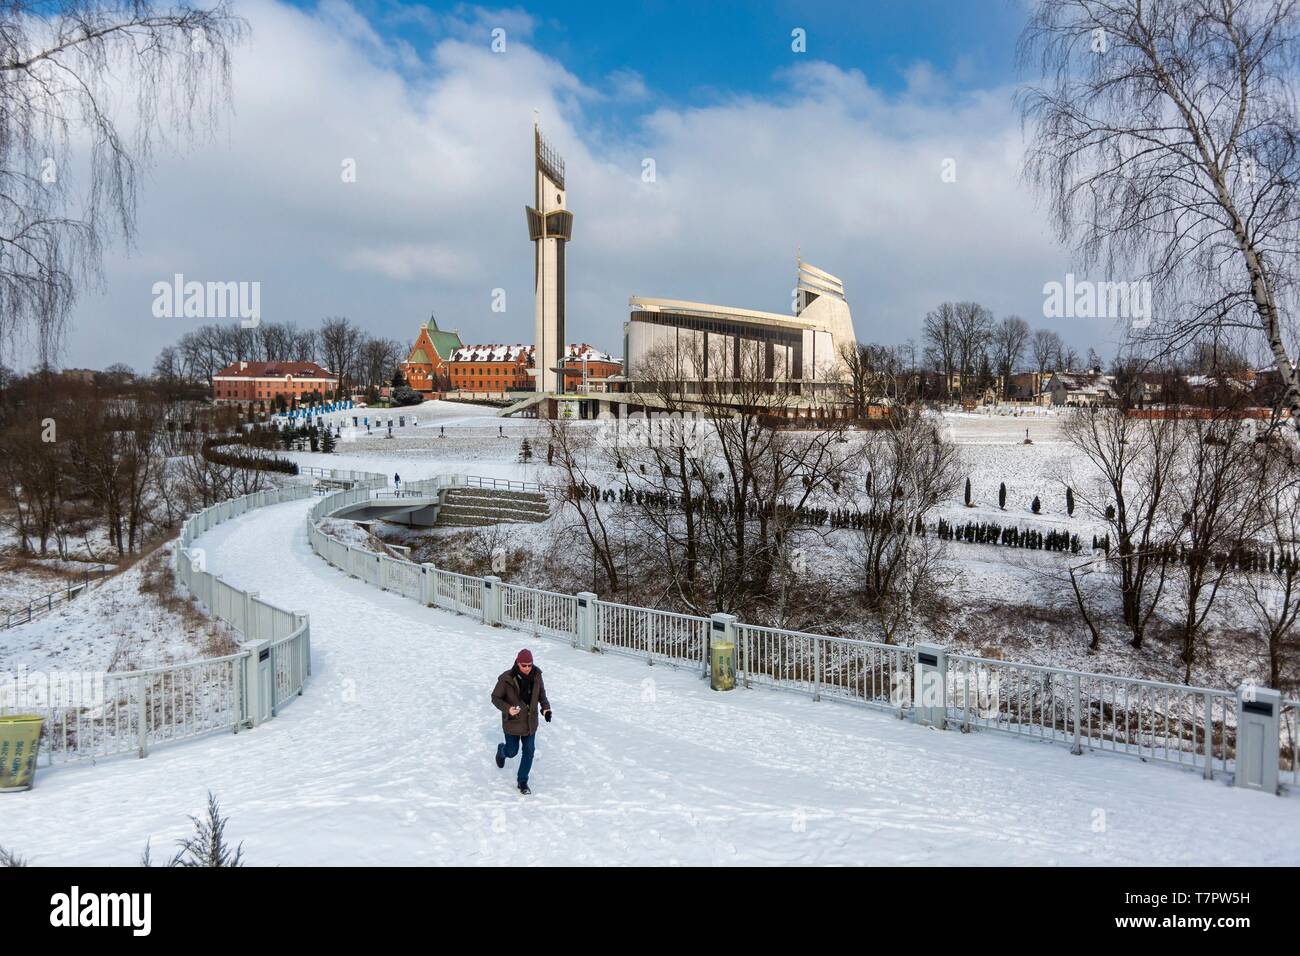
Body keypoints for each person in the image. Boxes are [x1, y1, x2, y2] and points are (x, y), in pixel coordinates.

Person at [490, 649, 552, 795]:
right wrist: (508, 709)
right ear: (518, 663)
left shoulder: (537, 675)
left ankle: (522, 781)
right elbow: (495, 698)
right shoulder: (506, 678)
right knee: (512, 752)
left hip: (530, 722)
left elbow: (541, 695)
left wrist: (546, 709)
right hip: (513, 723)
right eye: (524, 665)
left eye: (529, 665)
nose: (527, 668)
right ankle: (501, 751)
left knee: (529, 750)